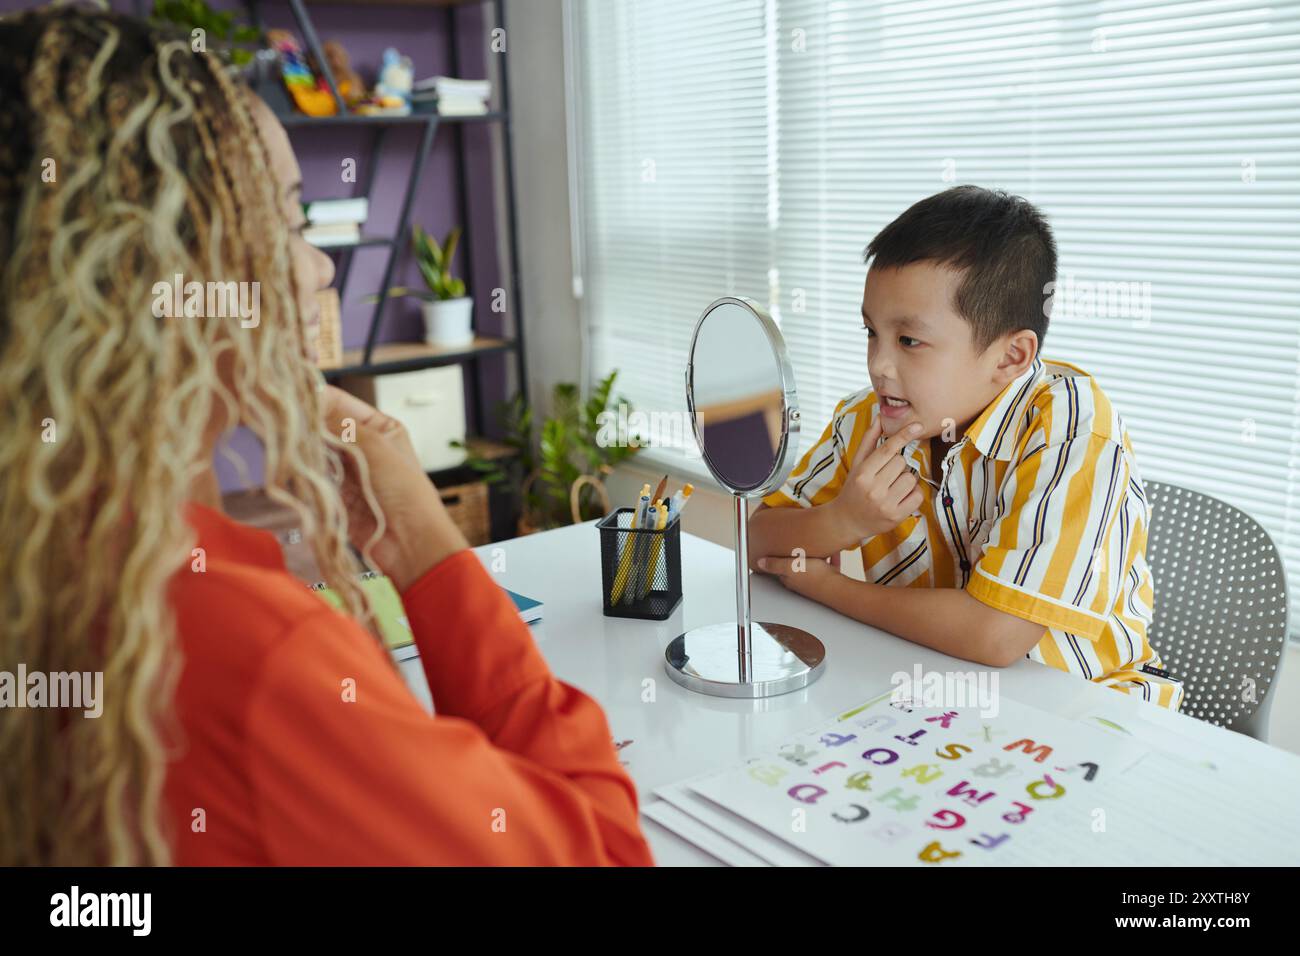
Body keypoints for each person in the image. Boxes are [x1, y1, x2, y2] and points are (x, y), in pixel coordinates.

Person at [0, 6, 654, 865]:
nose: (319, 267)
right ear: (161, 276)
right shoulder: (243, 645)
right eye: (290, 219)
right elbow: (601, 851)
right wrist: (420, 538)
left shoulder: (53, 547)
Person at [748, 186, 1183, 711]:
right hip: (942, 692)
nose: (879, 365)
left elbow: (995, 636)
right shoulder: (870, 417)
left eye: (909, 341)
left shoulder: (1072, 430)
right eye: (871, 332)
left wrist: (825, 586)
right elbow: (758, 545)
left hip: (1088, 710)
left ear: (1011, 356)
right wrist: (846, 521)